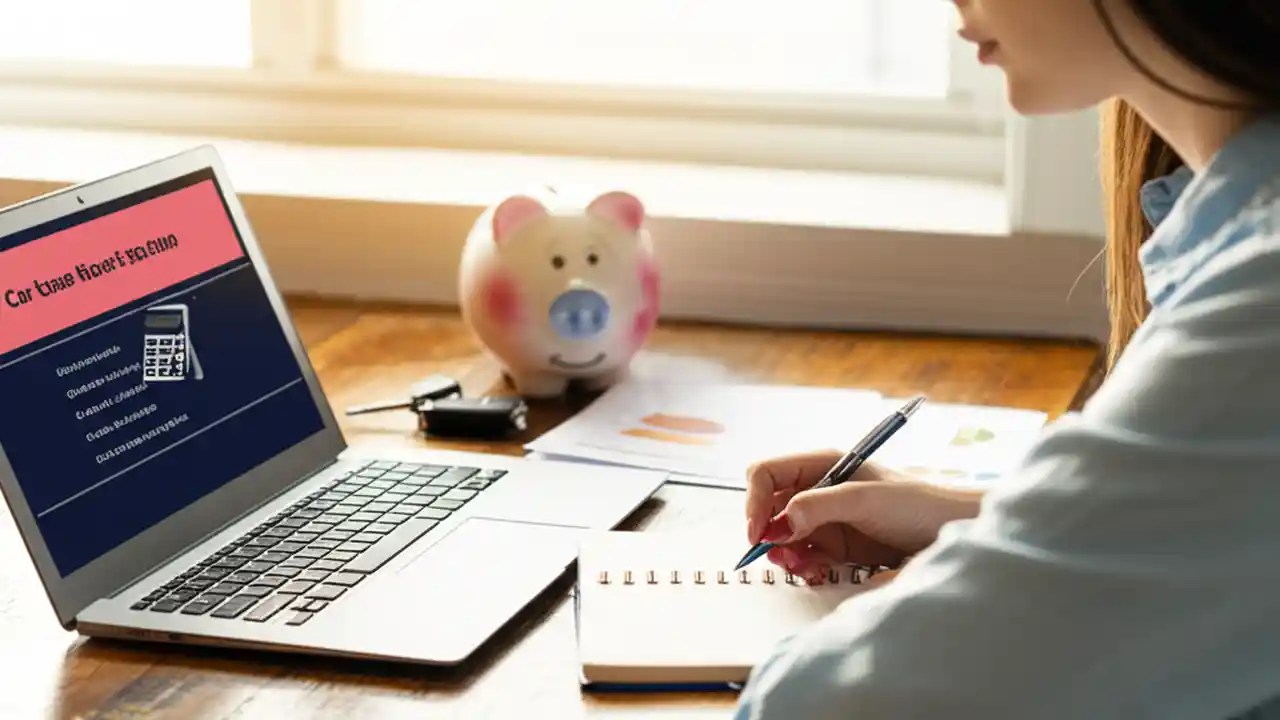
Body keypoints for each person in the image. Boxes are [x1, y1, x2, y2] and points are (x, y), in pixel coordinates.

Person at [734, 1, 1280, 718]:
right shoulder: (1228, 238)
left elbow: (831, 709)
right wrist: (983, 521)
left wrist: (941, 595)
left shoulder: (1259, 305)